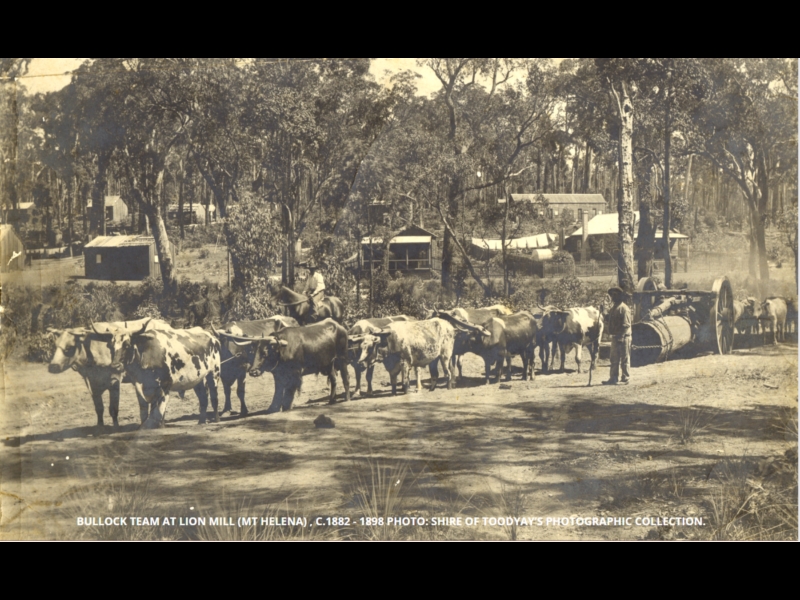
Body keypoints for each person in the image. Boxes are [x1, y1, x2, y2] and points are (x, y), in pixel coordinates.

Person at [603, 286, 632, 386]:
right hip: (615, 336)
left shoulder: (624, 308)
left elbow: (626, 325)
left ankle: (625, 378)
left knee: (624, 358)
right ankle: (613, 378)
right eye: (612, 295)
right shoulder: (614, 308)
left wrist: (621, 336)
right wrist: (604, 313)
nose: (613, 297)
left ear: (620, 296)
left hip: (624, 337)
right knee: (614, 359)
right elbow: (609, 319)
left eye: (615, 295)